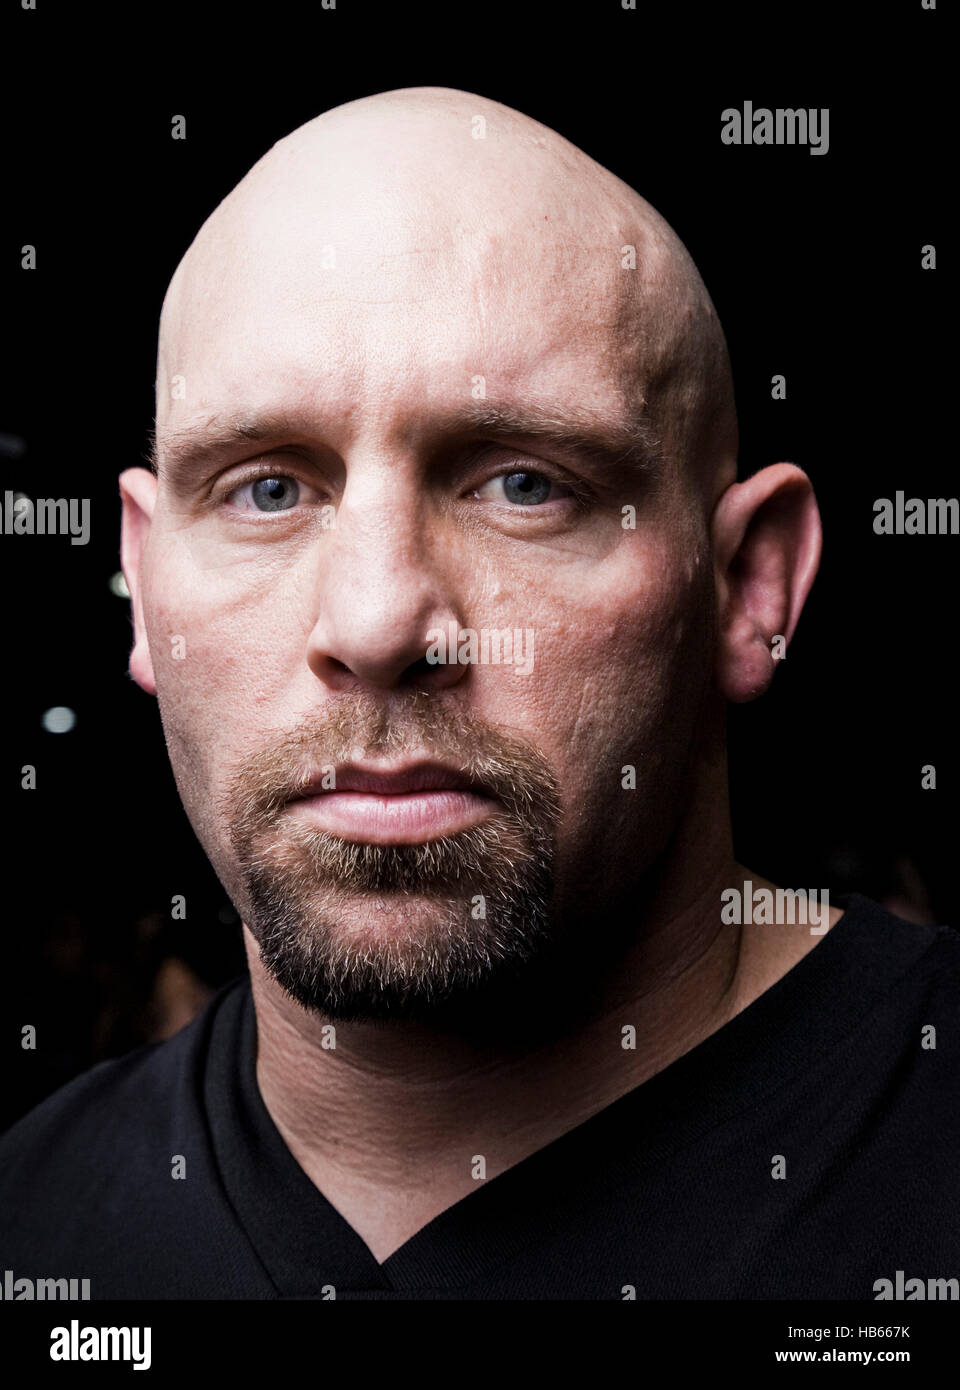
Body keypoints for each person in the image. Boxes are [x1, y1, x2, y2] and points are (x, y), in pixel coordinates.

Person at [1, 87, 956, 1301]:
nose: (377, 623)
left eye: (522, 484)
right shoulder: (34, 1233)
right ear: (143, 588)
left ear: (746, 583)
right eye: (265, 491)